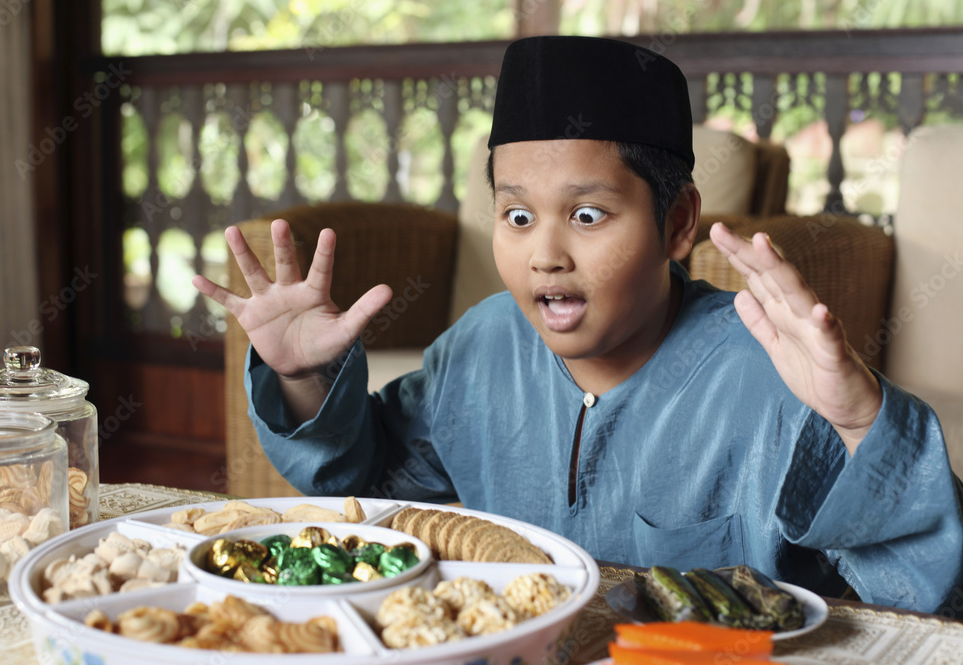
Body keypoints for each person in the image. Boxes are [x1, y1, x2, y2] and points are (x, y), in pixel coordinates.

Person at [193, 36, 963, 616]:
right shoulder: (481, 346)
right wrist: (303, 376)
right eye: (516, 215)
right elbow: (366, 478)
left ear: (678, 222)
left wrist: (862, 423)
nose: (545, 254)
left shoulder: (770, 373)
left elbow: (930, 589)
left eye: (588, 215)